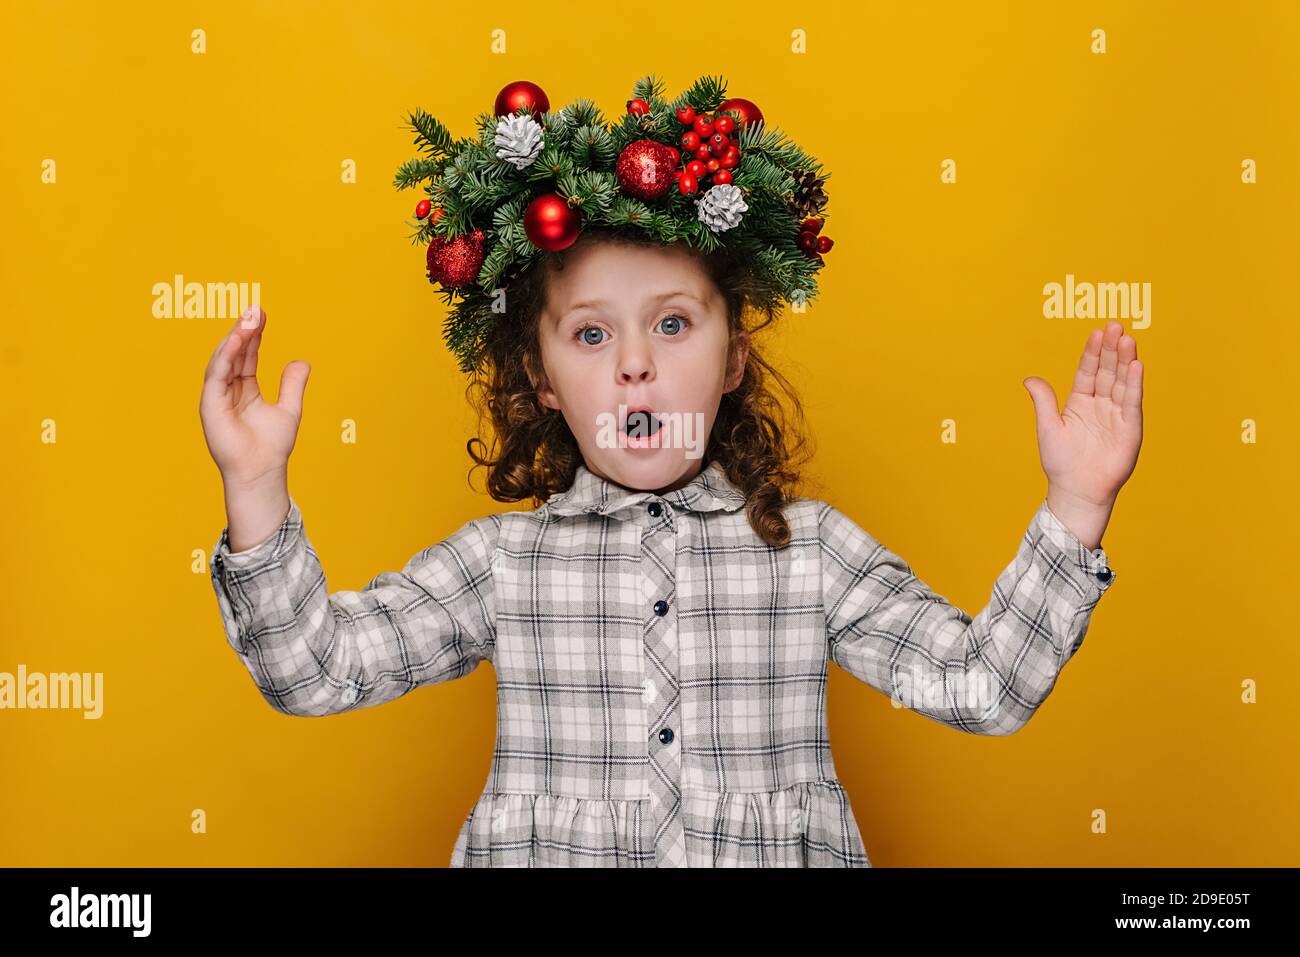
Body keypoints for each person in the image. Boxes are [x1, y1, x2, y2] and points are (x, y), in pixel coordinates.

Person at [198, 76, 1144, 867]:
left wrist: (1076, 504)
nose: (636, 363)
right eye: (594, 332)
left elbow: (984, 687)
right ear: (544, 378)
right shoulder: (503, 563)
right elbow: (313, 672)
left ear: (733, 357)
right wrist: (254, 487)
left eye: (674, 323)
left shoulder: (810, 552)